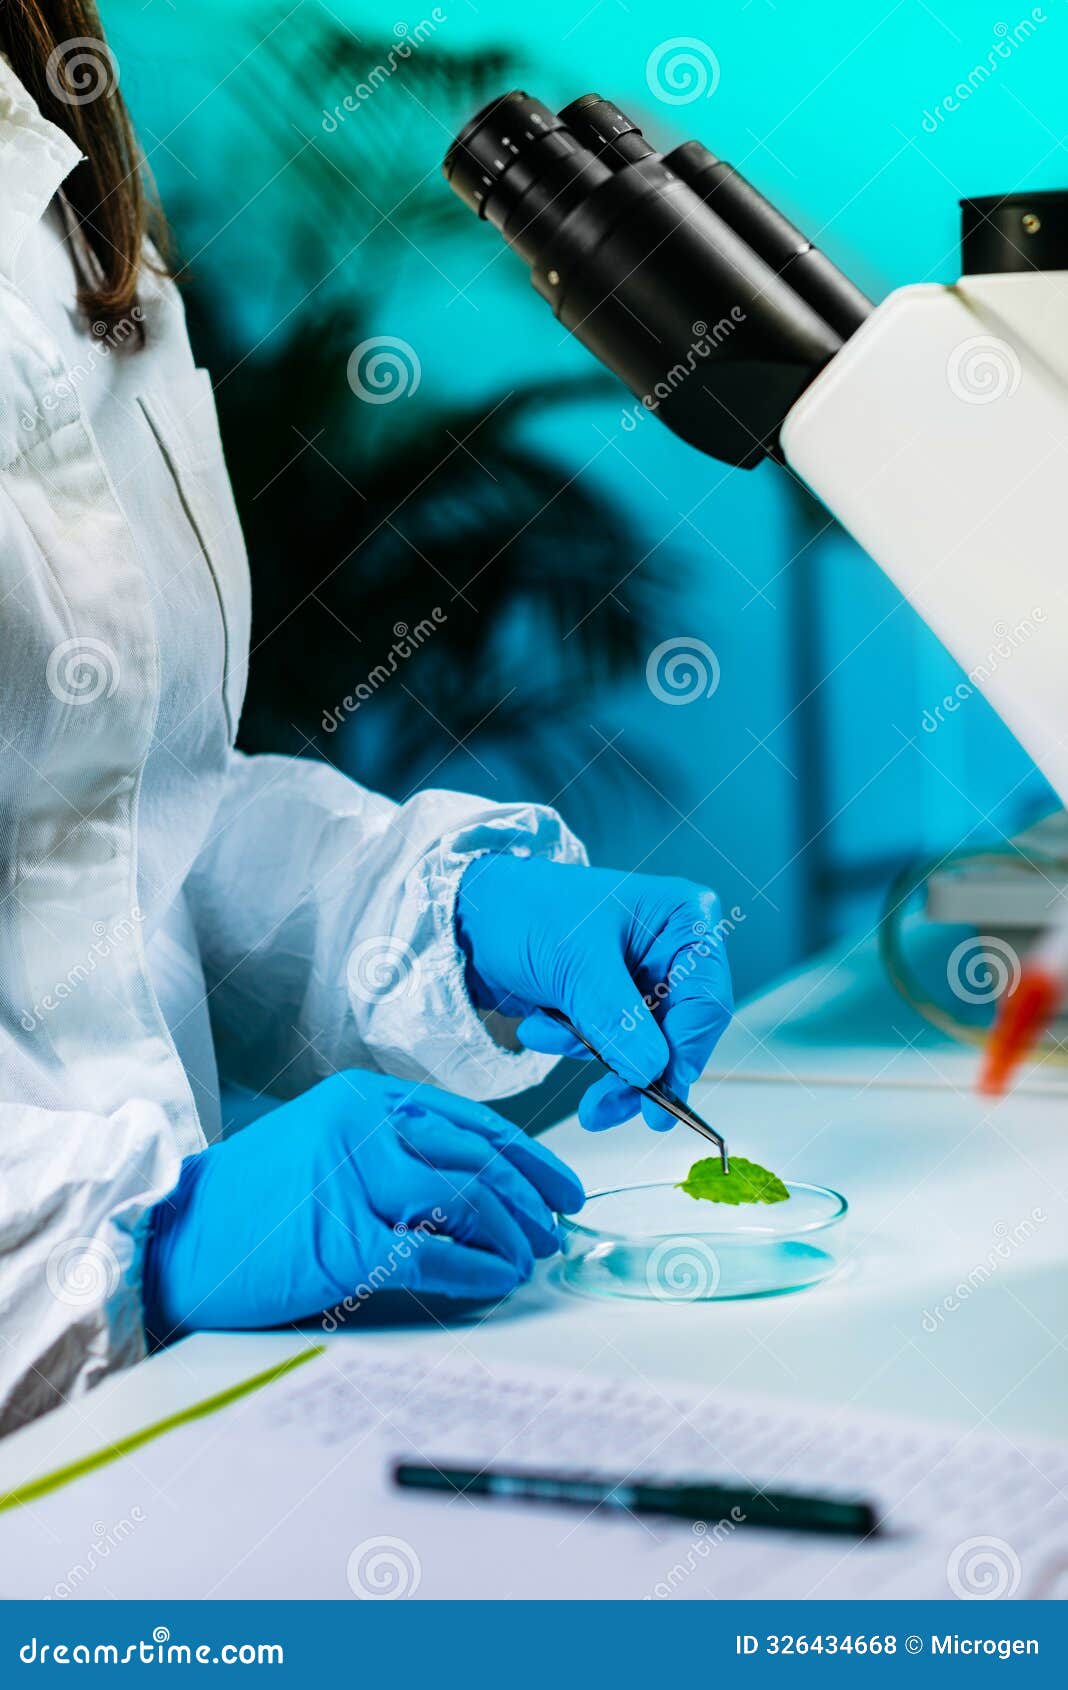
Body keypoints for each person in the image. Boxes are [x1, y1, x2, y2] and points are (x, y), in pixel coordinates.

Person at [0, 2, 733, 1434]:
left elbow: (113, 828)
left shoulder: (57, 164)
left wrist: (448, 918)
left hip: (141, 1426)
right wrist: (127, 1234)